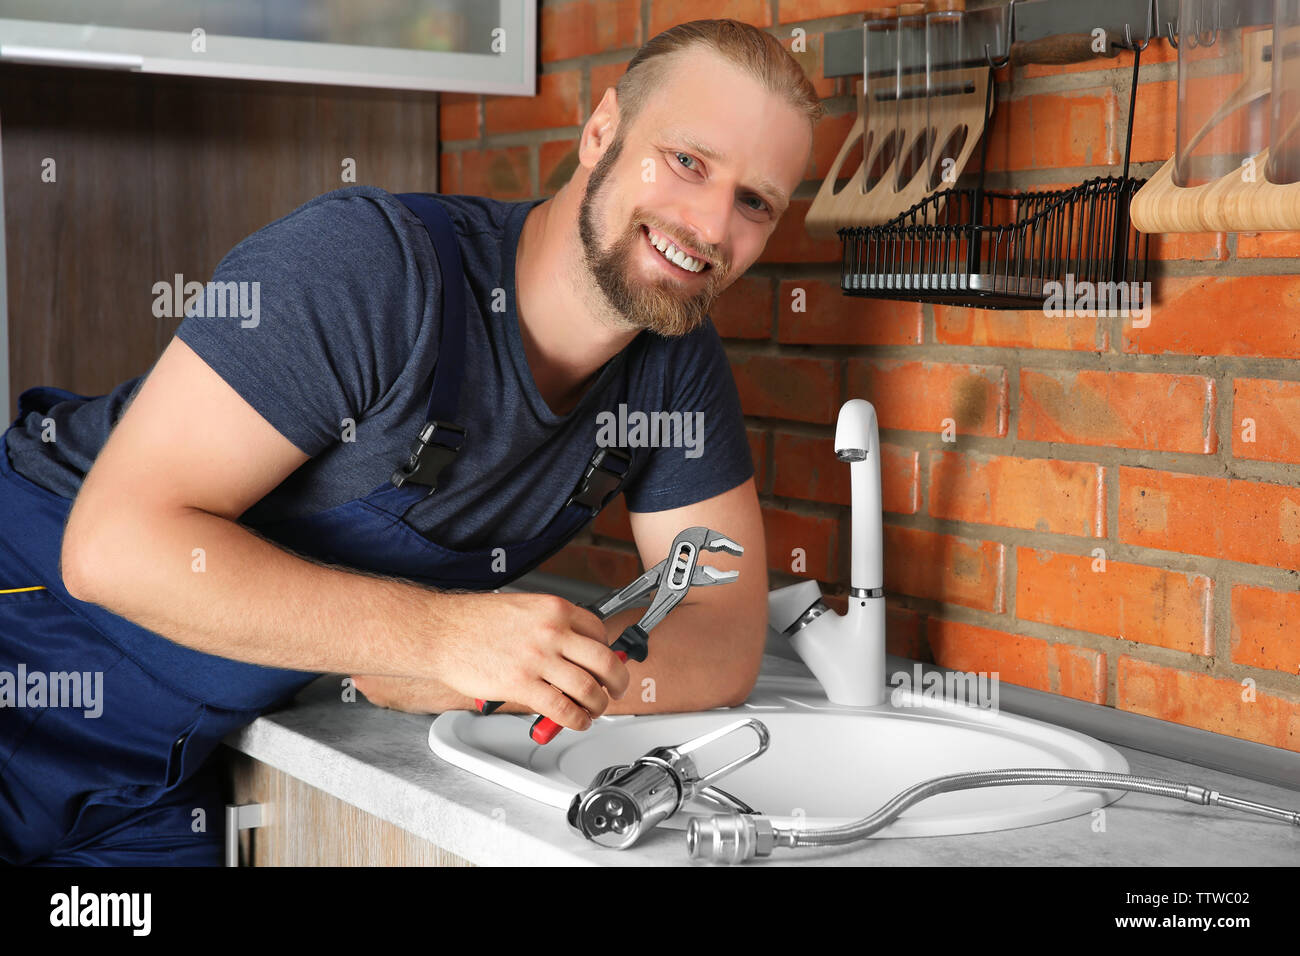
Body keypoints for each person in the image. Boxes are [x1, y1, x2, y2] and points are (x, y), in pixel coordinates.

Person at [0, 18, 822, 865]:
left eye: (755, 200)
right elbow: (111, 549)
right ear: (602, 130)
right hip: (26, 635)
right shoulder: (369, 268)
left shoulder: (674, 365)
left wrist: (515, 677)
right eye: (688, 161)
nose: (711, 224)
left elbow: (722, 632)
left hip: (157, 765)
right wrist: (437, 638)